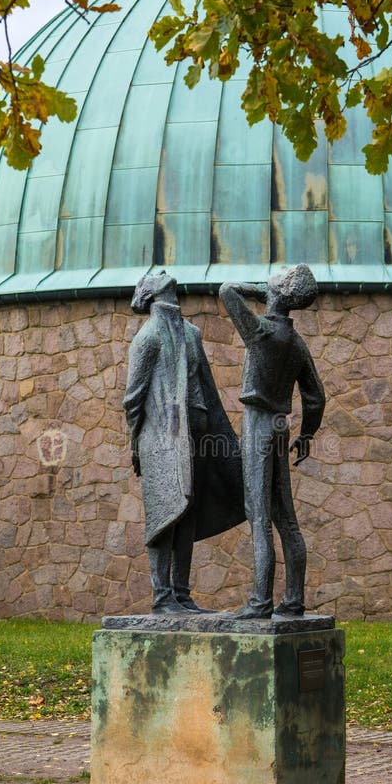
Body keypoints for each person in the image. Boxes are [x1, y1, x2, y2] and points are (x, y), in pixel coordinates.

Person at [124, 271, 245, 613]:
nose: (163, 273)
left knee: (188, 510)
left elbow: (206, 387)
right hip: (162, 440)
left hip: (199, 437)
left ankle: (181, 593)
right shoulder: (147, 338)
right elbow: (133, 399)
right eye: (155, 275)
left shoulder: (191, 334)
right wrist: (135, 445)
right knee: (164, 514)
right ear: (149, 292)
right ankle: (162, 597)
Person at [219, 264, 325, 619]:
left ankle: (260, 601)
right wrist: (306, 434)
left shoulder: (261, 331)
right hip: (281, 425)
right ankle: (293, 600)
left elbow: (227, 290)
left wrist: (263, 291)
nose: (272, 276)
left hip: (259, 423)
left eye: (278, 277)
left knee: (259, 514)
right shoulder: (295, 342)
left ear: (278, 291)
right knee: (286, 517)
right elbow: (315, 397)